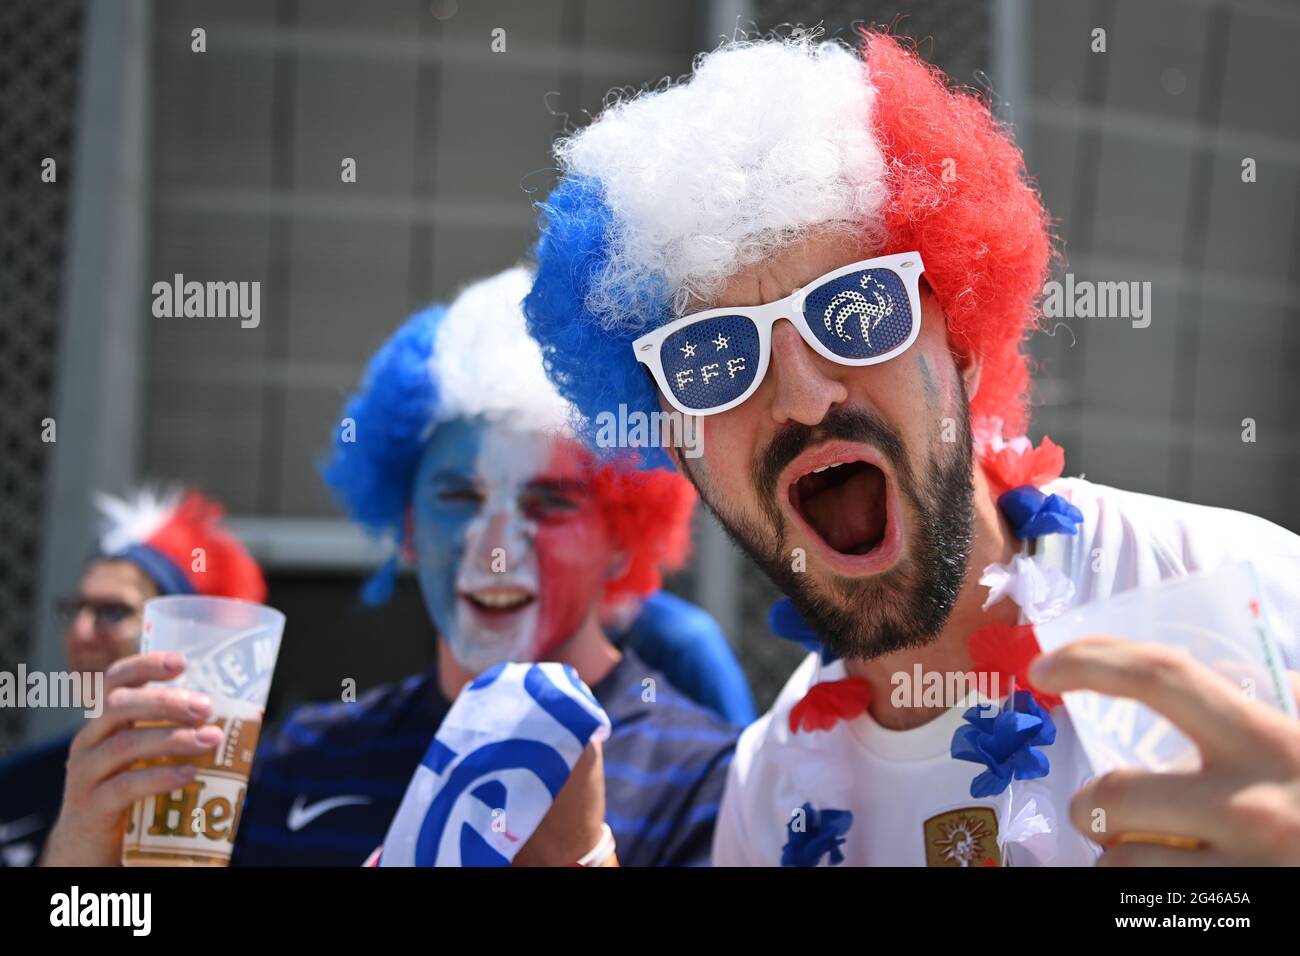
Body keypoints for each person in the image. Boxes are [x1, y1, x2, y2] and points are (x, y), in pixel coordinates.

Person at [523, 31, 1300, 866]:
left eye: (858, 310)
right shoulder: (768, 788)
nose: (802, 396)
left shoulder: (1245, 589)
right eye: (712, 361)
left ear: (961, 347)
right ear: (679, 446)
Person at [229, 266, 741, 866]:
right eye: (459, 500)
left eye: (548, 502)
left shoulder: (706, 779)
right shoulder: (304, 759)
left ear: (624, 539)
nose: (494, 543)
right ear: (411, 527)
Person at [2, 488, 265, 867]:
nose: (80, 631)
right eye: (75, 610)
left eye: (112, 611)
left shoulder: (257, 789)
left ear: (187, 639)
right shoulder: (17, 785)